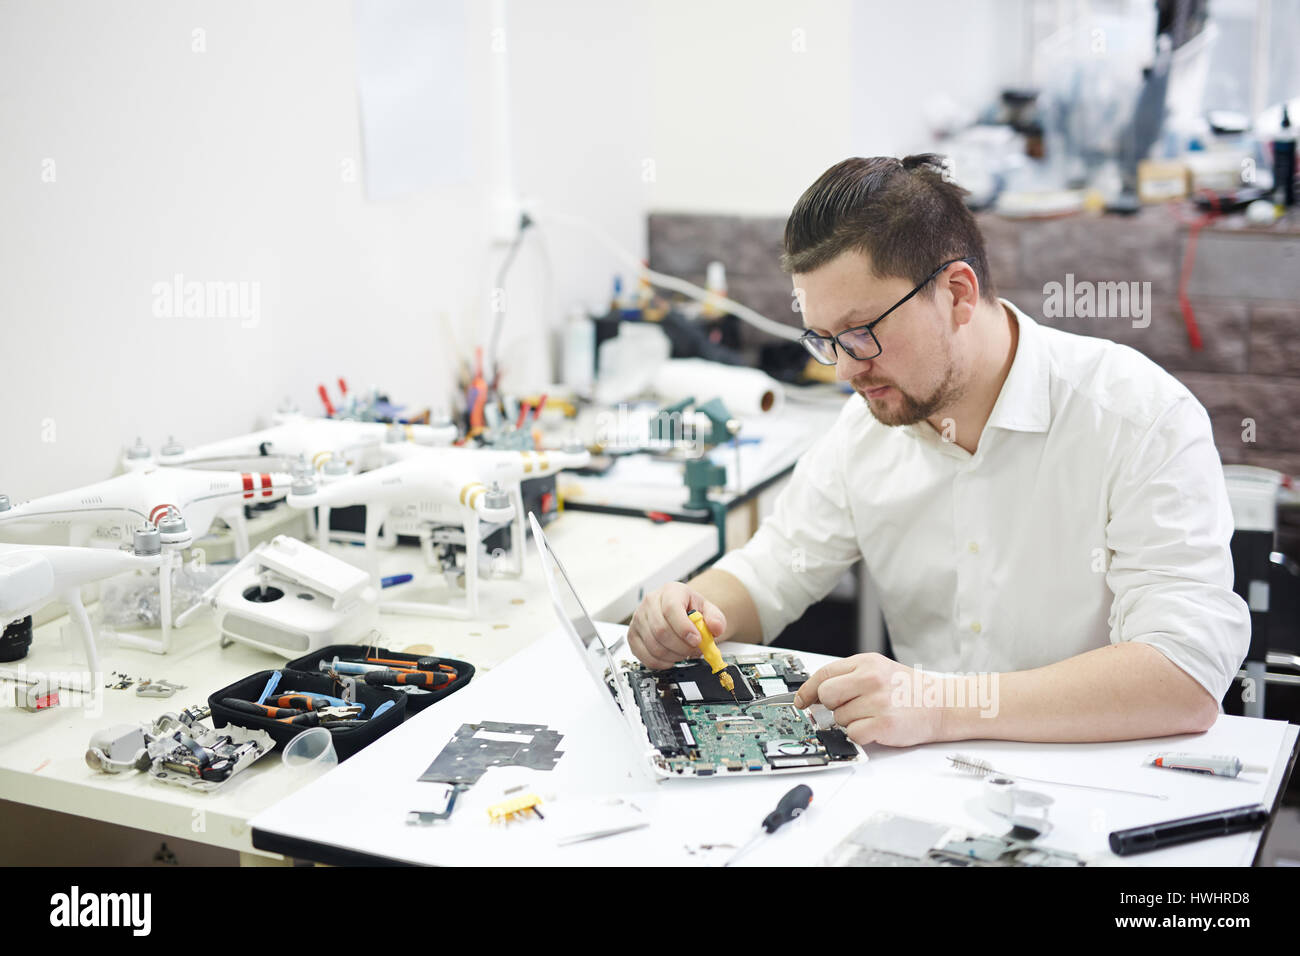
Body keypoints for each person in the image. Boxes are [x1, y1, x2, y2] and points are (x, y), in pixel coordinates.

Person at [627, 154, 1250, 747]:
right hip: (928, 784)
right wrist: (694, 609)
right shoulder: (864, 429)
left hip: (1099, 781)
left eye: (863, 332)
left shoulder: (1137, 417)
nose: (845, 369)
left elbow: (1184, 676)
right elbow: (773, 572)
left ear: (956, 293)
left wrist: (941, 705)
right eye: (825, 339)